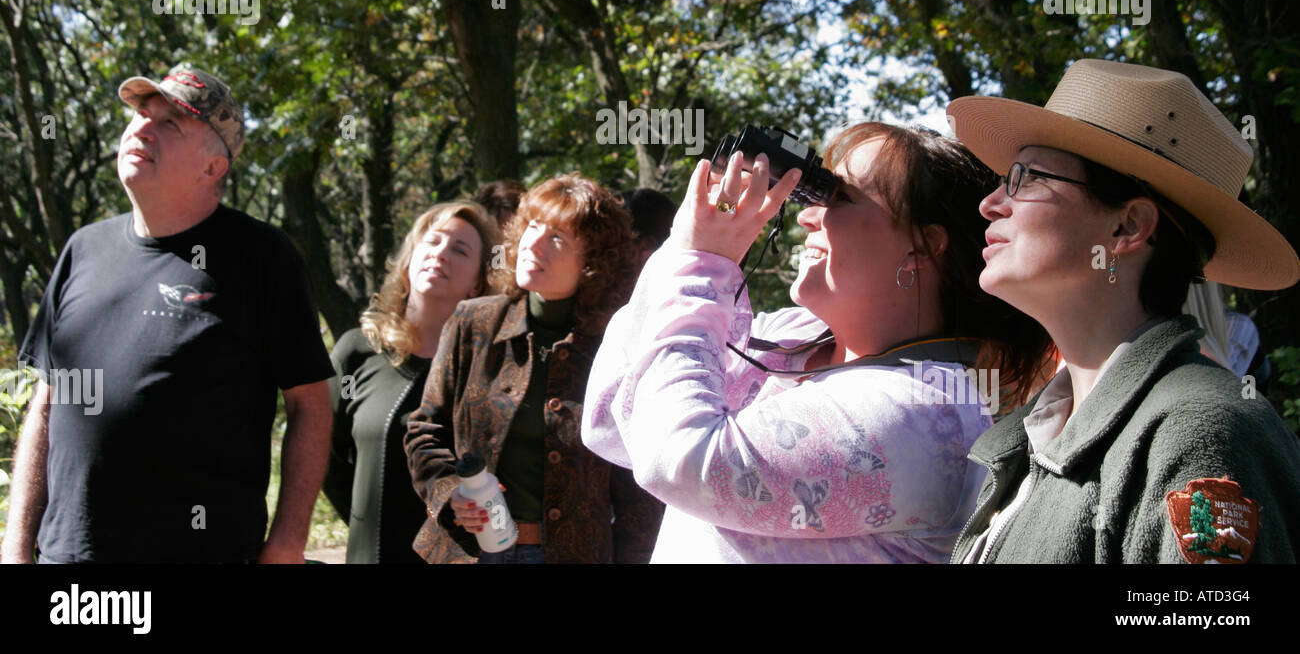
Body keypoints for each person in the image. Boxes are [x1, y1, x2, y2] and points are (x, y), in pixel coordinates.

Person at [582, 123, 1053, 562]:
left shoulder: (928, 412)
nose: (807, 216)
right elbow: (609, 420)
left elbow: (679, 461)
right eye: (815, 194)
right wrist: (684, 248)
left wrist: (702, 260)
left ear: (922, 247)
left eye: (840, 198)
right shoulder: (793, 335)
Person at [946, 58, 1300, 562]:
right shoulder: (1044, 428)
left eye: (1025, 178)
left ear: (1127, 227)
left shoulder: (1202, 430)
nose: (991, 203)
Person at [1, 64, 333, 564]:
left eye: (170, 123)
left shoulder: (262, 257)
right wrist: (15, 543)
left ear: (213, 168)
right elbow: (47, 405)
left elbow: (310, 405)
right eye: (140, 114)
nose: (142, 128)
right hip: (68, 564)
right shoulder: (82, 249)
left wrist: (287, 543)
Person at [405, 174, 664, 563]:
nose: (533, 244)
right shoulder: (472, 322)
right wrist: (448, 492)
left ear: (593, 261)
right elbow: (425, 429)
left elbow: (638, 492)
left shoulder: (619, 346)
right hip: (466, 552)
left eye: (557, 237)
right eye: (532, 227)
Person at [324, 201, 498, 563]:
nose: (441, 254)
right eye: (432, 242)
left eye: (459, 249)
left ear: (478, 282)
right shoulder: (355, 351)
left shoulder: (492, 369)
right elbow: (327, 462)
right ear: (408, 260)